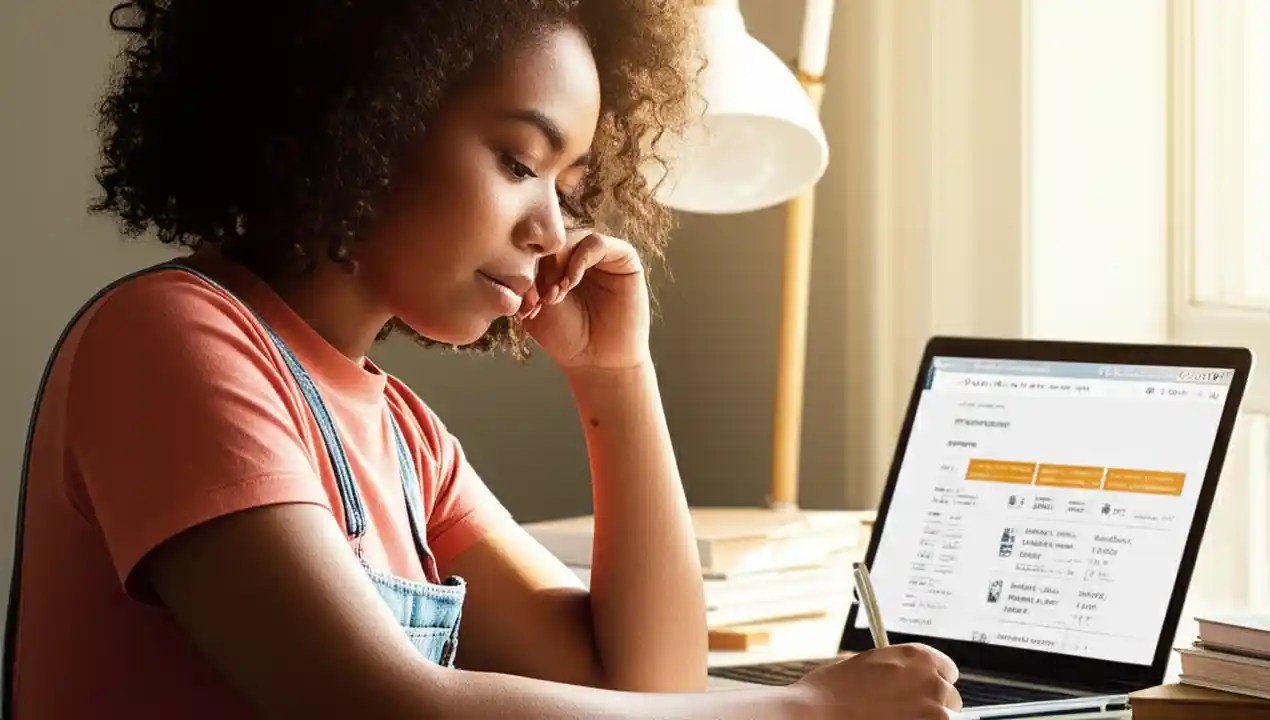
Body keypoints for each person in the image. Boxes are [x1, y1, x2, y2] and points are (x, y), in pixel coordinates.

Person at [5, 1, 962, 717]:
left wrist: (616, 378)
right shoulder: (172, 341)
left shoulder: (404, 436)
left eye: (570, 185)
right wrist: (806, 709)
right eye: (518, 161)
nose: (553, 227)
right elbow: (383, 708)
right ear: (367, 118)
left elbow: (646, 682)